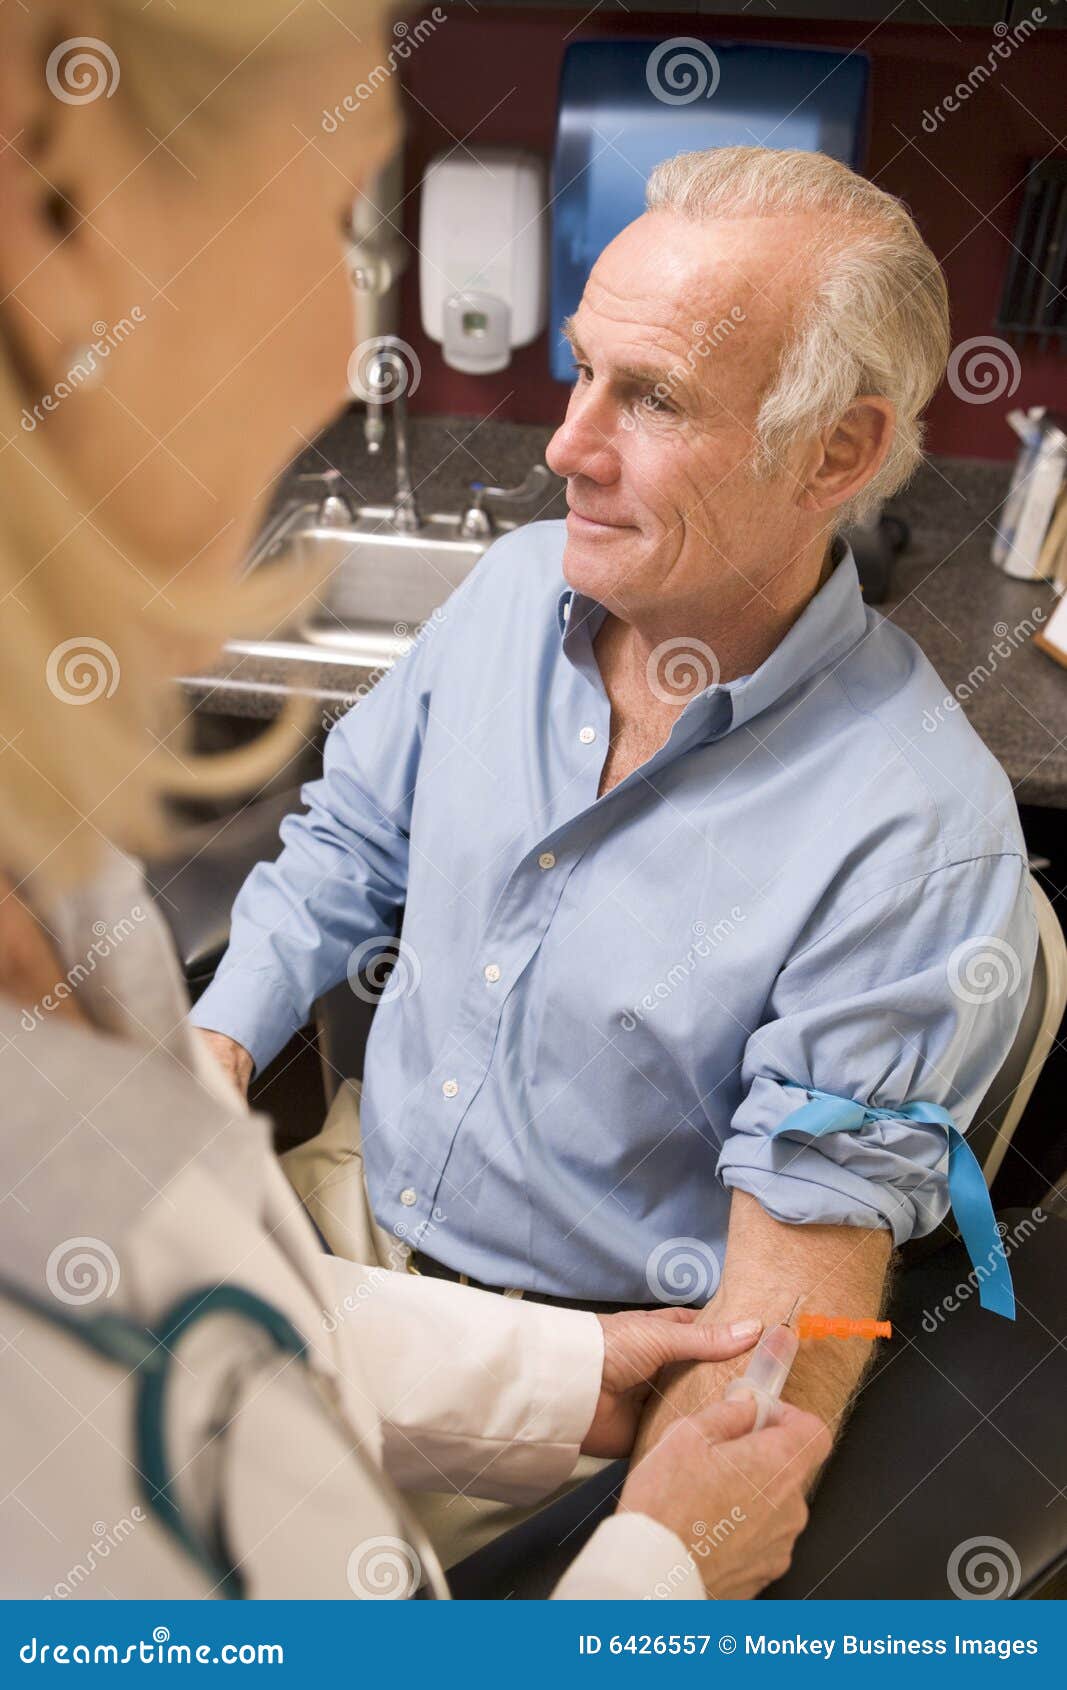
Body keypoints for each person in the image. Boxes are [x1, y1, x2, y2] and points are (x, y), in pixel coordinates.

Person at [0, 0, 830, 1601]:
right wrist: (659, 1576)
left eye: (647, 395)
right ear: (63, 202)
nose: (339, 340)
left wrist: (559, 1377)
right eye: (330, 215)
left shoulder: (51, 881)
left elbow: (210, 1306)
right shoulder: (509, 600)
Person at [192, 143, 1037, 1477]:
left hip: (593, 1384)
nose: (566, 445)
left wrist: (649, 1546)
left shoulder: (914, 842)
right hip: (331, 1229)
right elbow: (345, 848)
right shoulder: (511, 589)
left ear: (839, 450)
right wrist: (217, 1048)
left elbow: (772, 1359)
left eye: (648, 396)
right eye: (584, 368)